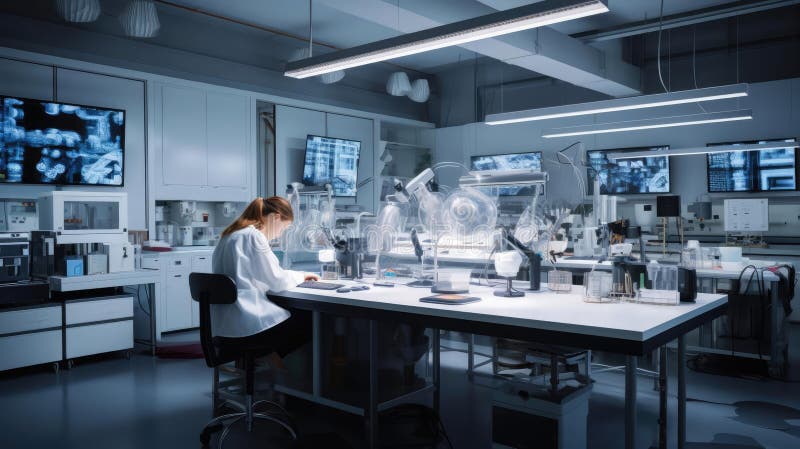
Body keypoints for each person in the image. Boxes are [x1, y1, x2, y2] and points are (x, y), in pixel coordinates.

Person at [211, 196, 319, 367]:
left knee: (291, 314)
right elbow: (277, 281)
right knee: (311, 320)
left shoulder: (230, 235)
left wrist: (295, 275)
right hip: (247, 326)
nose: (280, 234)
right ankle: (280, 374)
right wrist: (301, 276)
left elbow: (260, 274)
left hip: (224, 326)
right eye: (284, 228)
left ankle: (264, 366)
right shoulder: (254, 236)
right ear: (276, 217)